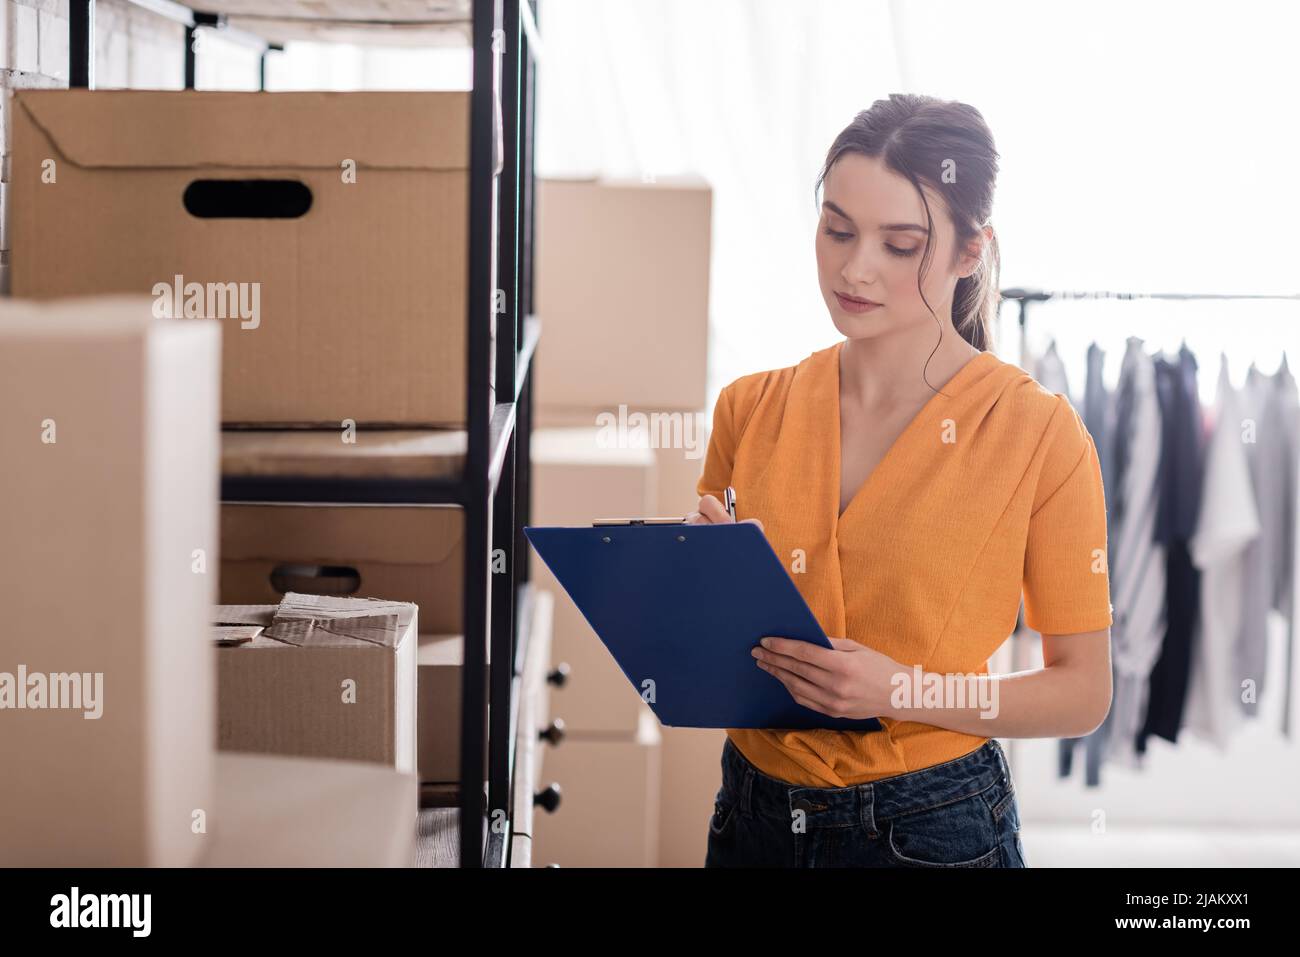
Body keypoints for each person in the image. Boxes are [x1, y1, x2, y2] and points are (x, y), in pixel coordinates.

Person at [687, 93, 1114, 868]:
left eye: (900, 244)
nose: (855, 269)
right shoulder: (747, 408)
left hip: (932, 827)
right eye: (838, 230)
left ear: (967, 252)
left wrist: (903, 693)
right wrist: (694, 586)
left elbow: (1082, 690)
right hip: (750, 810)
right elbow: (717, 654)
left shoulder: (1040, 434)